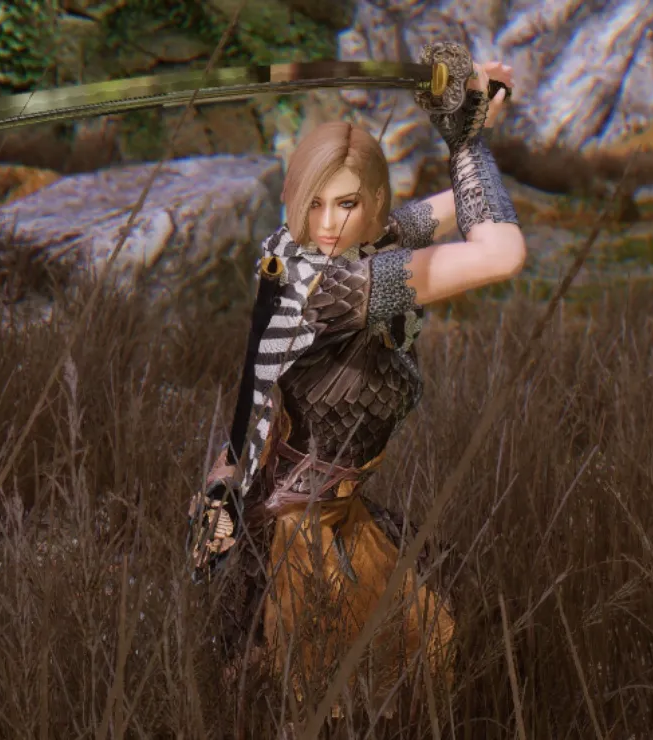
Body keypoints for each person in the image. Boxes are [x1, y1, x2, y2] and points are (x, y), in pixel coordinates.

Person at [187, 56, 524, 719]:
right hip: (296, 533)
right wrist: (464, 142)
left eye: (346, 203)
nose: (329, 223)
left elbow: (455, 209)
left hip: (335, 513)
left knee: (423, 655)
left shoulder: (321, 253)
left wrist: (471, 130)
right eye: (313, 203)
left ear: (370, 205)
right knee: (326, 701)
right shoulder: (335, 285)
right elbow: (500, 253)